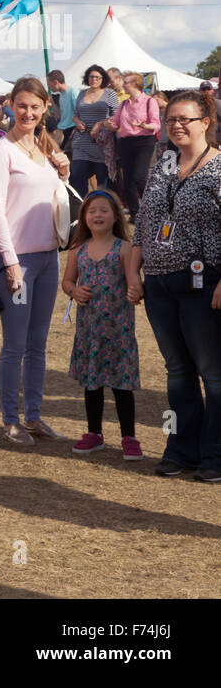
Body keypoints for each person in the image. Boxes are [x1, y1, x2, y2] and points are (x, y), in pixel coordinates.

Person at [129, 91, 221, 482]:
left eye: (186, 119)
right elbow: (144, 223)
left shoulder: (218, 169)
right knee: (176, 371)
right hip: (159, 285)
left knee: (213, 373)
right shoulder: (162, 163)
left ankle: (214, 455)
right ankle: (179, 448)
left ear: (207, 122)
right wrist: (134, 272)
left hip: (205, 284)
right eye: (171, 120)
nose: (177, 126)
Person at [0, 77, 71, 445]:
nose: (28, 113)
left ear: (45, 109)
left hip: (48, 258)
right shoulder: (0, 151)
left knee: (38, 342)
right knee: (14, 344)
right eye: (21, 106)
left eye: (35, 107)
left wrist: (64, 172)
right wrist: (10, 260)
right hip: (17, 260)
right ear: (9, 106)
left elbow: (57, 199)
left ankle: (34, 417)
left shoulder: (45, 148)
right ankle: (10, 420)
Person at [63, 190, 141, 460]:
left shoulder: (125, 248)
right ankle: (94, 433)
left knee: (121, 386)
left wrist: (135, 290)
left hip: (118, 331)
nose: (97, 215)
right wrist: (74, 291)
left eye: (104, 210)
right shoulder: (77, 250)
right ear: (83, 216)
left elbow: (133, 280)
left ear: (115, 216)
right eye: (92, 210)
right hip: (89, 332)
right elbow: (67, 282)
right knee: (92, 384)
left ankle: (129, 437)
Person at [103, 72, 159, 216]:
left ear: (135, 84)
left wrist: (145, 126)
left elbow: (156, 124)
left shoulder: (149, 101)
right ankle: (135, 213)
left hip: (144, 141)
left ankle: (151, 209)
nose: (123, 84)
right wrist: (109, 124)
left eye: (126, 82)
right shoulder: (124, 104)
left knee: (139, 177)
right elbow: (115, 123)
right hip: (126, 142)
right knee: (127, 179)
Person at [70, 65, 119, 197]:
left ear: (103, 79)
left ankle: (103, 206)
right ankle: (81, 207)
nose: (94, 79)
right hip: (81, 141)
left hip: (102, 142)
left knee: (102, 179)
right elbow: (75, 114)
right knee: (77, 175)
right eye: (91, 76)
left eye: (97, 77)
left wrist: (100, 123)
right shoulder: (81, 93)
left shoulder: (110, 94)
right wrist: (77, 121)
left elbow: (117, 117)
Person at [48, 70, 79, 152]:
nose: (49, 87)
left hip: (71, 130)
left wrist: (76, 129)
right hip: (62, 130)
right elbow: (59, 115)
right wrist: (51, 102)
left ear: (55, 82)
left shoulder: (73, 92)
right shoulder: (61, 95)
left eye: (49, 84)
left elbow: (80, 112)